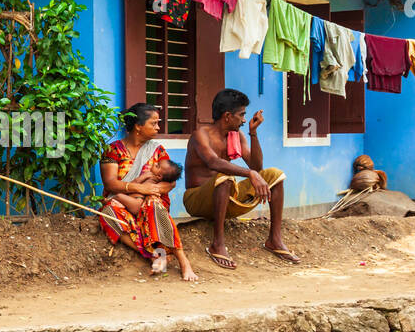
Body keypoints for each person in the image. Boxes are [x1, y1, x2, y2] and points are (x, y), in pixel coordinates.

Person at [183, 88, 298, 268]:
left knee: (274, 174)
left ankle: (274, 240)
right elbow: (213, 162)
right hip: (197, 200)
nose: (245, 120)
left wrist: (253, 133)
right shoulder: (200, 135)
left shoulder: (237, 135)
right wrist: (250, 174)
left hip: (227, 196)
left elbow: (256, 166)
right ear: (228, 116)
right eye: (242, 115)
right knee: (225, 177)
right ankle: (217, 244)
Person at [99, 103, 198, 281]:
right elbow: (110, 183)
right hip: (122, 201)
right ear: (138, 126)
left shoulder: (157, 150)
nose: (158, 127)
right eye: (154, 123)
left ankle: (183, 260)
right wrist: (138, 188)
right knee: (108, 212)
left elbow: (170, 182)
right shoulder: (112, 150)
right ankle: (154, 254)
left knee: (153, 203)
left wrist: (148, 193)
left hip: (149, 201)